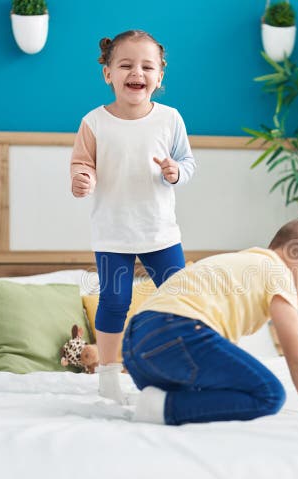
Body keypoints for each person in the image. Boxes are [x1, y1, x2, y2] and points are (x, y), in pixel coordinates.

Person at [100, 215, 298, 425]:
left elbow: (223, 357)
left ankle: (159, 400)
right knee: (269, 394)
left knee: (221, 389)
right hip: (178, 331)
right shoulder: (279, 273)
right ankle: (165, 408)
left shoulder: (241, 263)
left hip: (137, 347)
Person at [70, 29, 196, 391]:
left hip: (160, 232)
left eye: (146, 66)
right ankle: (109, 375)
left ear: (160, 76)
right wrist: (82, 179)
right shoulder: (94, 122)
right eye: (125, 65)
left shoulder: (170, 119)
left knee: (180, 297)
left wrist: (175, 172)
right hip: (113, 233)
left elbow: (187, 163)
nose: (136, 73)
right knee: (114, 301)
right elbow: (82, 164)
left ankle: (180, 367)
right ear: (108, 73)